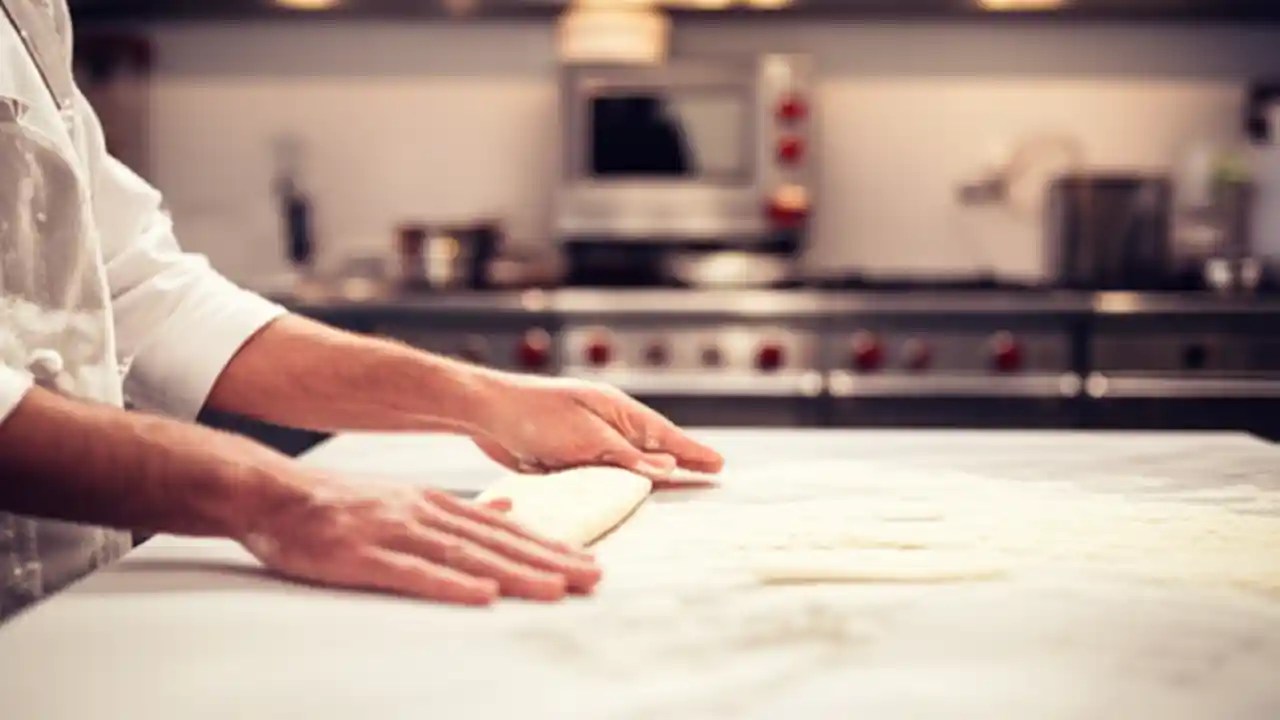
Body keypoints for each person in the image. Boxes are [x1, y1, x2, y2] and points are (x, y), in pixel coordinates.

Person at [0, 1, 723, 620]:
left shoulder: (35, 17)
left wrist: (486, 398)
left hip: (67, 609)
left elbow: (142, 294)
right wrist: (273, 496)